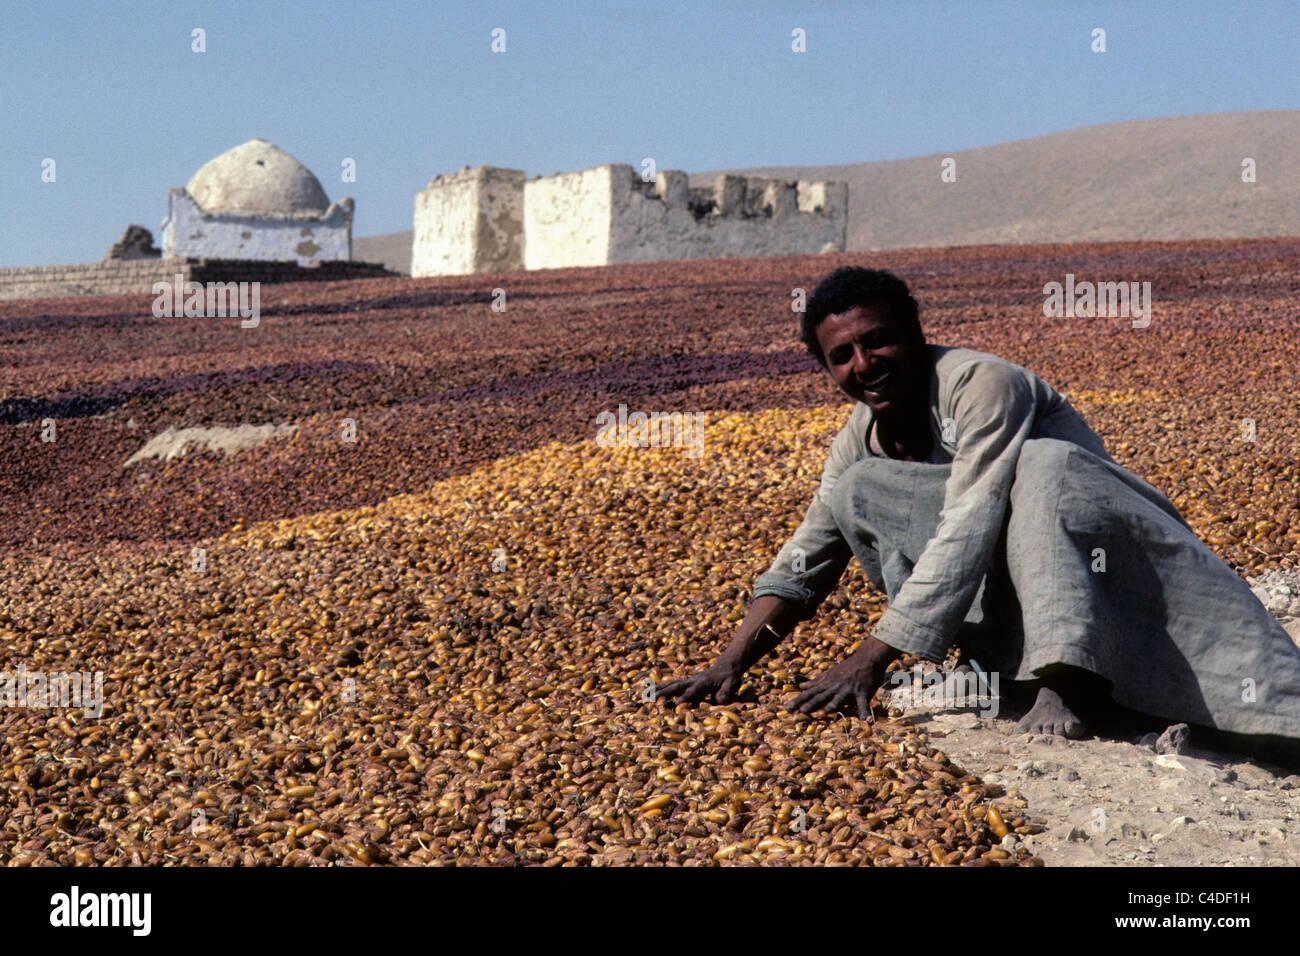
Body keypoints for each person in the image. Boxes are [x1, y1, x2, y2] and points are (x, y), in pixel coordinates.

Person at [658, 267, 1300, 749]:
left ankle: (1066, 678)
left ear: (916, 336)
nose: (865, 364)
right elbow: (805, 555)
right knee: (855, 490)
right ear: (827, 370)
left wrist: (872, 657)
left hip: (1117, 572)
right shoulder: (858, 436)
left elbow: (971, 517)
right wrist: (730, 660)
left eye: (879, 341)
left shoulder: (981, 384)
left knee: (1041, 463)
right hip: (1023, 591)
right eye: (842, 356)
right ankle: (1011, 666)